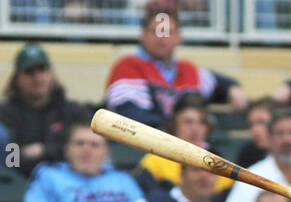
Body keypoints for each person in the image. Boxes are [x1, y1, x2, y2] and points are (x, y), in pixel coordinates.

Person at [104, 5, 247, 131]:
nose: (161, 37)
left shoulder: (188, 70)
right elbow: (133, 117)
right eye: (155, 31)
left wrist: (232, 88)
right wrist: (177, 130)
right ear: (143, 35)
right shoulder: (127, 67)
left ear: (179, 37)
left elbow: (220, 84)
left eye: (168, 32)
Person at [0, 44, 95, 178]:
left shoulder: (72, 111)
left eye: (42, 70)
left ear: (51, 74)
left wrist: (43, 151)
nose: (37, 77)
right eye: (30, 72)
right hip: (22, 184)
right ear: (17, 78)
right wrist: (60, 151)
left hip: (69, 182)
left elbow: (92, 149)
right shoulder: (5, 115)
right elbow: (10, 160)